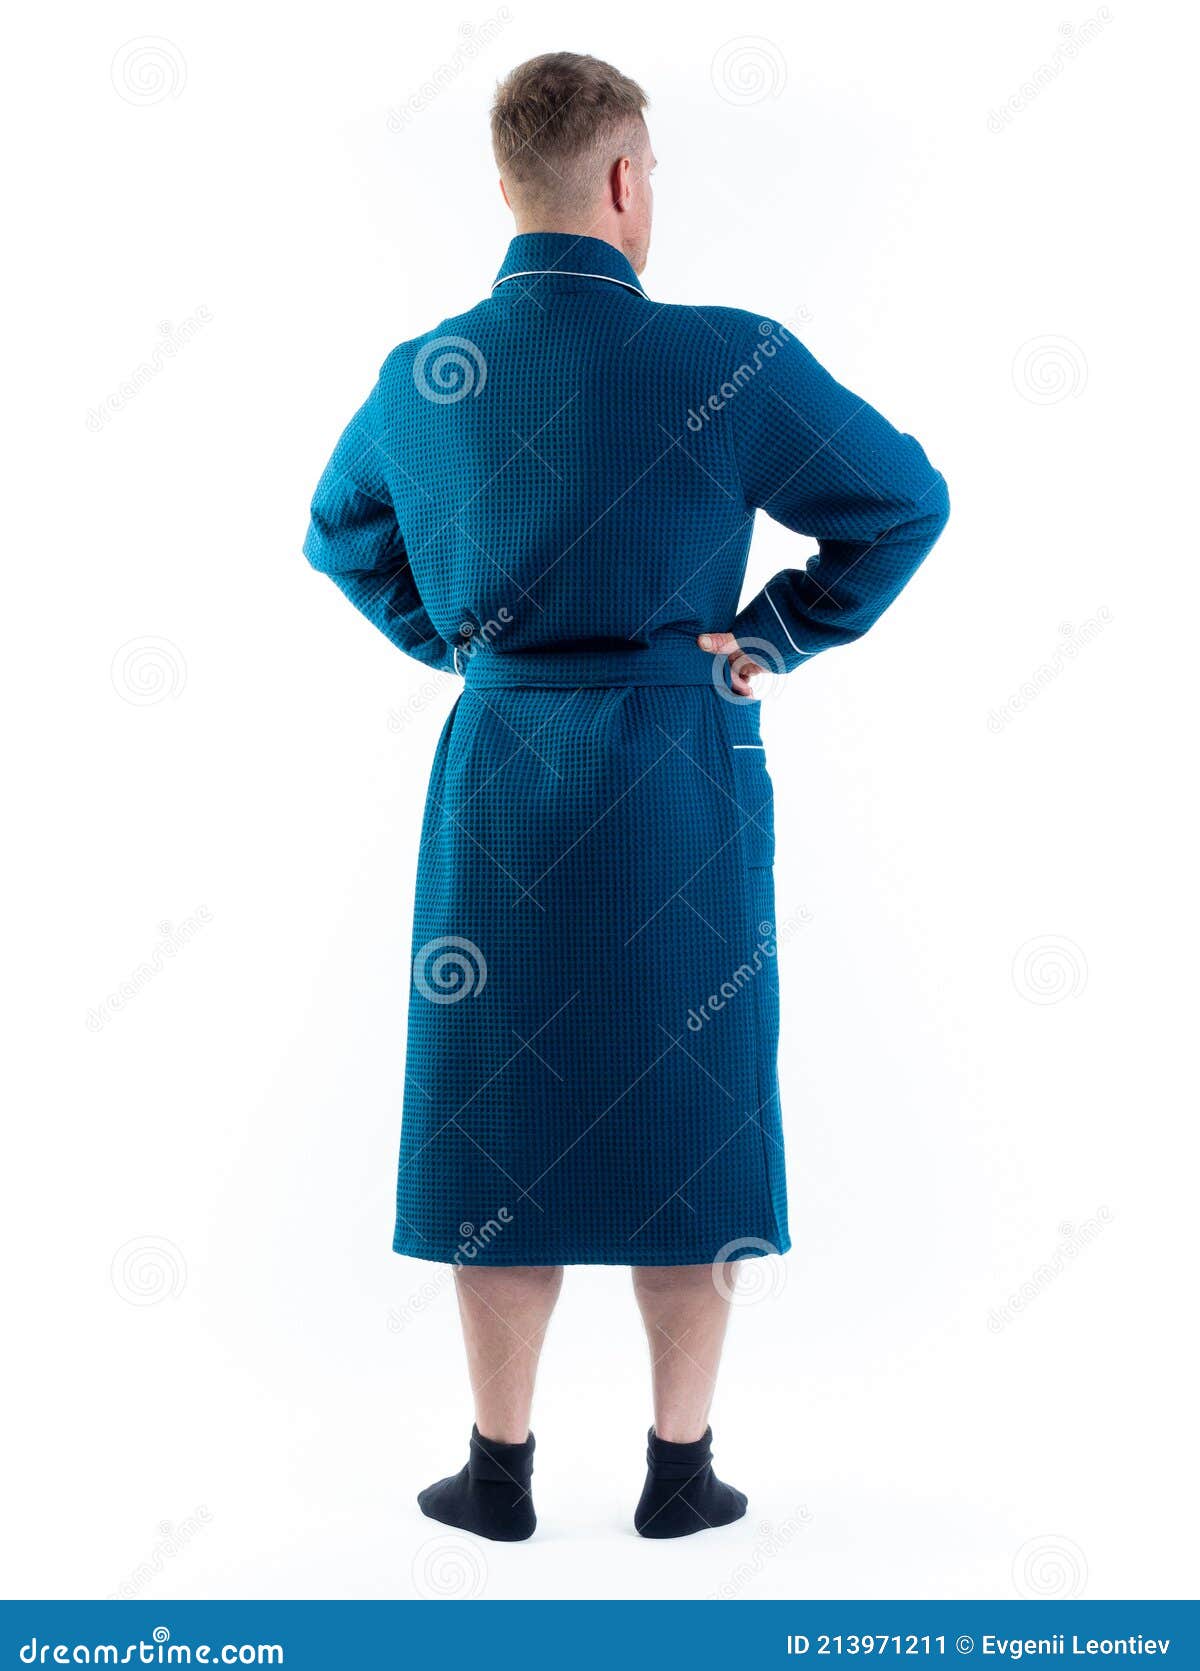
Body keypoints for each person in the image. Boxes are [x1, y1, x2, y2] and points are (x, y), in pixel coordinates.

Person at [304, 51, 949, 1542]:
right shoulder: (730, 355)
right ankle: (680, 1469)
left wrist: (460, 643)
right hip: (676, 770)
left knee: (495, 1112)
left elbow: (341, 537)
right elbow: (903, 499)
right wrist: (774, 633)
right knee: (692, 1103)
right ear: (620, 180)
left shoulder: (425, 374)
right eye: (651, 171)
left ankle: (498, 1470)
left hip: (502, 773)